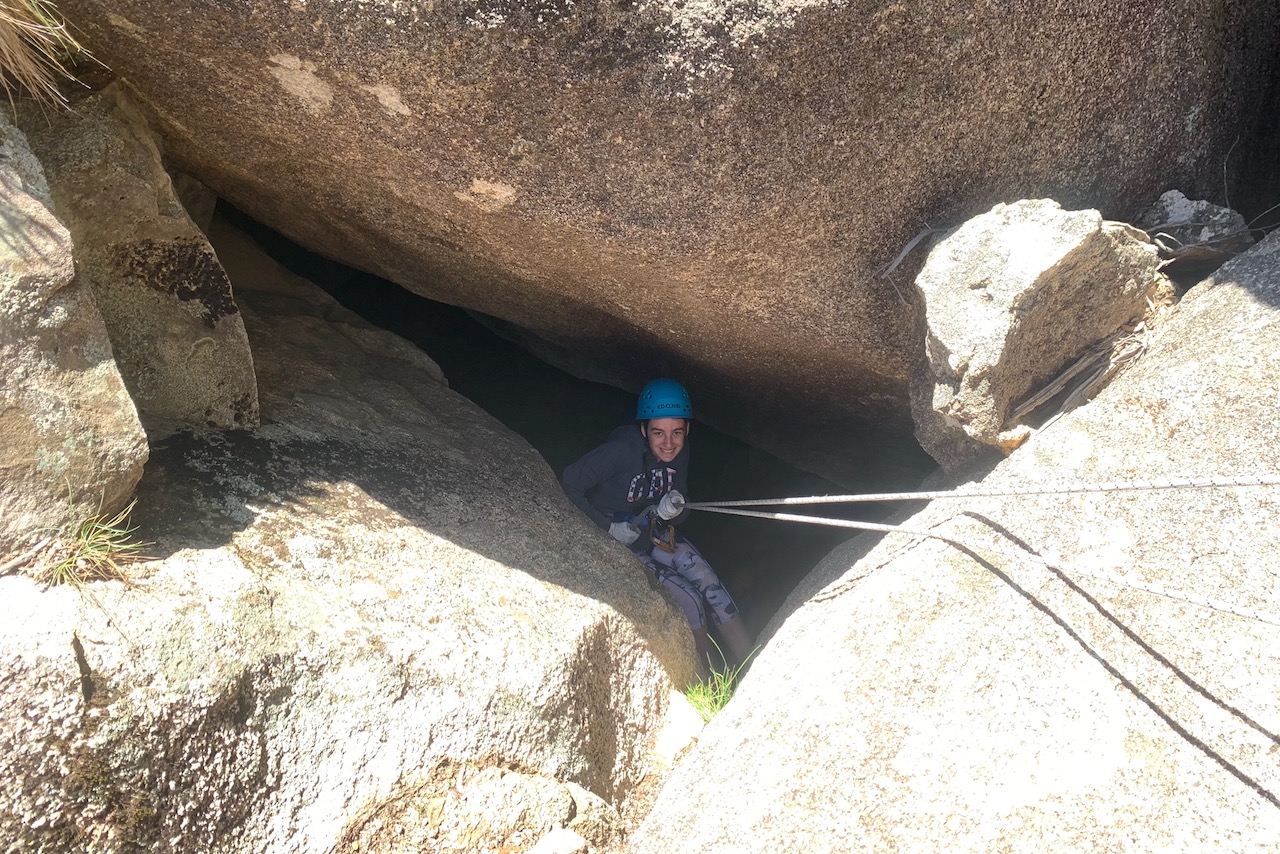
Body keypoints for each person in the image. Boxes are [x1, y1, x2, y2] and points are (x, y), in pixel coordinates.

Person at [560, 378, 754, 671]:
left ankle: (754, 666)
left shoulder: (681, 450)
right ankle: (709, 681)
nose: (668, 443)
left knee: (709, 582)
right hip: (617, 539)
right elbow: (570, 482)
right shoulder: (621, 451)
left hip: (651, 529)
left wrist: (675, 508)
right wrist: (606, 528)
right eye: (658, 433)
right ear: (643, 429)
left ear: (687, 429)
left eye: (677, 432)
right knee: (689, 601)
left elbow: (682, 502)